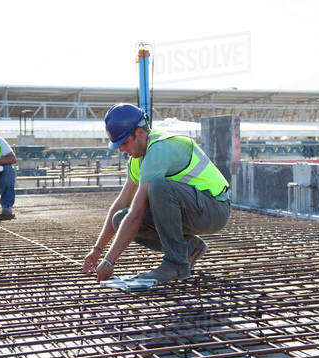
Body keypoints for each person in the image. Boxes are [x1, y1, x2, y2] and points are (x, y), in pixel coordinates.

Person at [83, 103, 231, 284]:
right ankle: (188, 249)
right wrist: (97, 249)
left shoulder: (160, 149)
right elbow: (121, 204)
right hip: (194, 209)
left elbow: (137, 212)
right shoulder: (138, 159)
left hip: (214, 209)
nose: (121, 149)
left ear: (139, 133)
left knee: (159, 187)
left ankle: (176, 264)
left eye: (124, 142)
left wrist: (109, 260)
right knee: (120, 219)